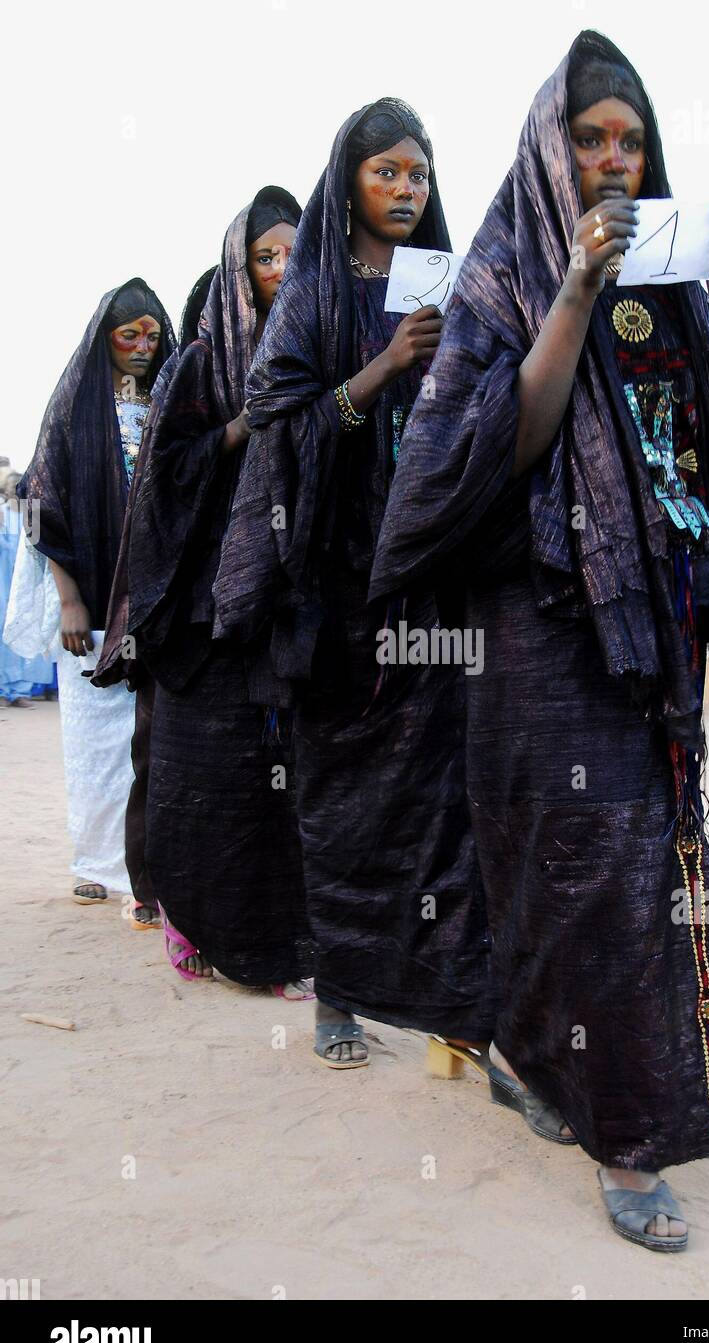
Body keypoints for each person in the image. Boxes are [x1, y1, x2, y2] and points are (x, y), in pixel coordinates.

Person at [370, 31, 709, 1249]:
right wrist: (571, 288)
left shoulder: (671, 277)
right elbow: (466, 461)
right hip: (539, 641)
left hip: (653, 632)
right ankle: (627, 1136)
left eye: (630, 140)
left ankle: (560, 1069)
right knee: (582, 880)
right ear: (547, 151)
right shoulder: (499, 275)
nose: (613, 159)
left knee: (620, 881)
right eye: (590, 138)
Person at [213, 102, 497, 1071]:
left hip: (432, 579)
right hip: (333, 591)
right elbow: (273, 417)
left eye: (418, 174)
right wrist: (379, 370)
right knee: (339, 798)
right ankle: (340, 989)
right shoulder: (314, 292)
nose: (407, 190)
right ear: (350, 181)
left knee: (442, 794)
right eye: (387, 173)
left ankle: (453, 998)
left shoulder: (453, 281)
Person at [116, 190, 314, 997]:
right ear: (241, 266)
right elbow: (163, 482)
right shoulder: (199, 363)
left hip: (278, 600)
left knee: (269, 779)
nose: (280, 271)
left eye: (293, 256)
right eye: (266, 257)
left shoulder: (312, 347)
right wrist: (243, 426)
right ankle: (188, 921)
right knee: (195, 777)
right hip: (201, 610)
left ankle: (263, 942)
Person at [13, 280, 174, 904]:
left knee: (148, 740)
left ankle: (146, 867)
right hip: (91, 597)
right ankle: (95, 862)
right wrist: (72, 598)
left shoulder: (168, 400)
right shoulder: (75, 409)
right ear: (102, 339)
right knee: (92, 739)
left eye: (152, 336)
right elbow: (42, 500)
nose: (140, 347)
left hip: (153, 598)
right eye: (126, 335)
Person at [94, 268, 218, 929]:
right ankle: (147, 886)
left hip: (221, 600)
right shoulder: (189, 384)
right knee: (153, 745)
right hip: (160, 593)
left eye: (151, 334)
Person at [0, 475, 56, 706]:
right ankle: (5, 688)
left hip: (28, 581)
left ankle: (23, 689)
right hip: (4, 579)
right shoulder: (2, 511)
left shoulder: (33, 513)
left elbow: (38, 550)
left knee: (31, 625)